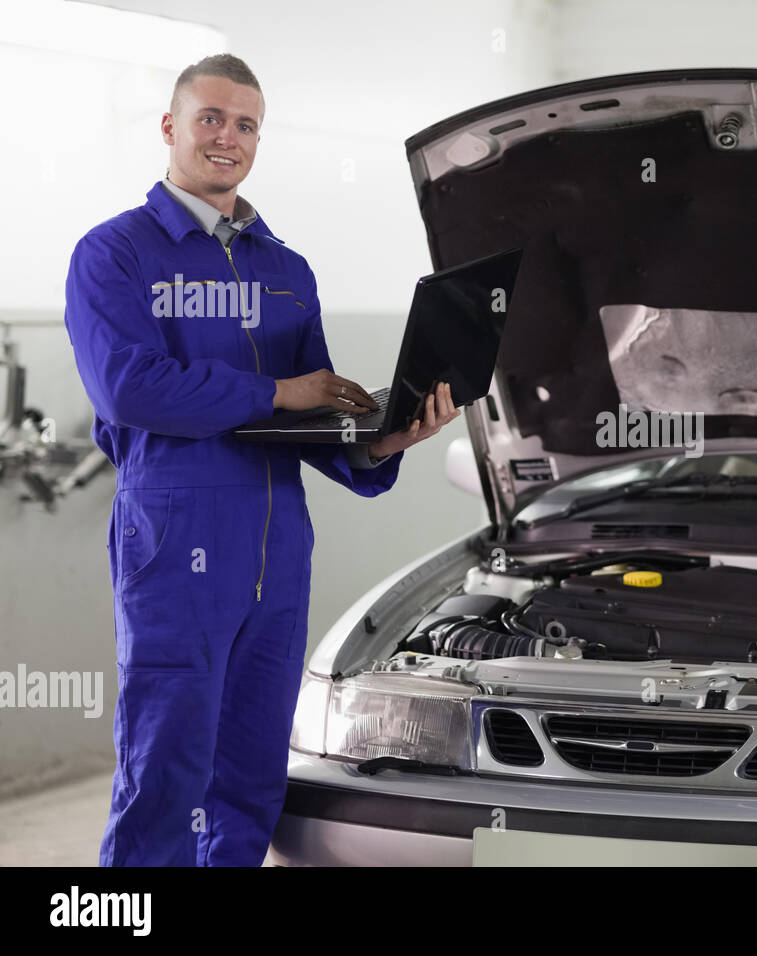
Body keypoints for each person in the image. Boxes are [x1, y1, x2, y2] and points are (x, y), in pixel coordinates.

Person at [63, 54, 459, 866]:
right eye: (210, 118)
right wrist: (280, 392)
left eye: (246, 124)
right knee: (165, 771)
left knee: (249, 775)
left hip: (278, 552)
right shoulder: (116, 255)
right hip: (176, 544)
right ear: (170, 127)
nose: (227, 138)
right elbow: (133, 390)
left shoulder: (286, 271)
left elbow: (315, 414)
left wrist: (384, 439)